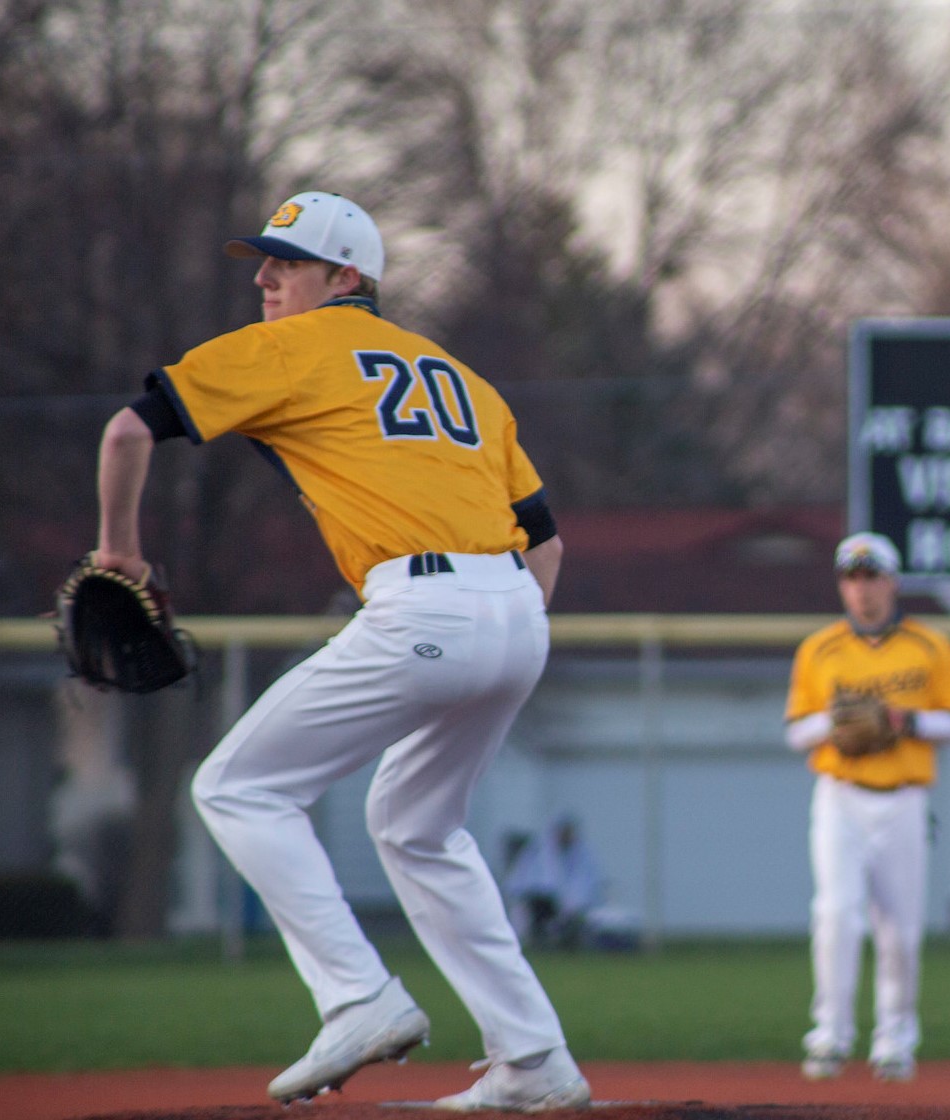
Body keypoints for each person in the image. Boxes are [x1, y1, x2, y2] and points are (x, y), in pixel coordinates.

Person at [91, 191, 589, 1112]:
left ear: (347, 280)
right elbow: (546, 543)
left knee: (238, 787)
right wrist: (501, 634)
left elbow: (127, 429)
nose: (266, 277)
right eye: (264, 260)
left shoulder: (296, 347)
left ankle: (357, 997)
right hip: (519, 613)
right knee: (417, 825)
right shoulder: (461, 376)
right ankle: (534, 1059)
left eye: (289, 263)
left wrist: (117, 551)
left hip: (421, 606)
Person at [783, 532, 950, 1083]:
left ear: (892, 582)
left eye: (871, 577)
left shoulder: (931, 646)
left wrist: (905, 721)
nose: (861, 589)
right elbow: (797, 732)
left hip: (904, 800)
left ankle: (895, 1041)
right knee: (836, 916)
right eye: (852, 578)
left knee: (900, 931)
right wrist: (840, 722)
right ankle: (830, 1037)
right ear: (842, 586)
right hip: (840, 797)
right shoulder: (819, 649)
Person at [504, 815, 603, 949]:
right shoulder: (539, 852)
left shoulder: (582, 855)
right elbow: (524, 882)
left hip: (571, 909)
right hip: (539, 904)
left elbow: (586, 884)